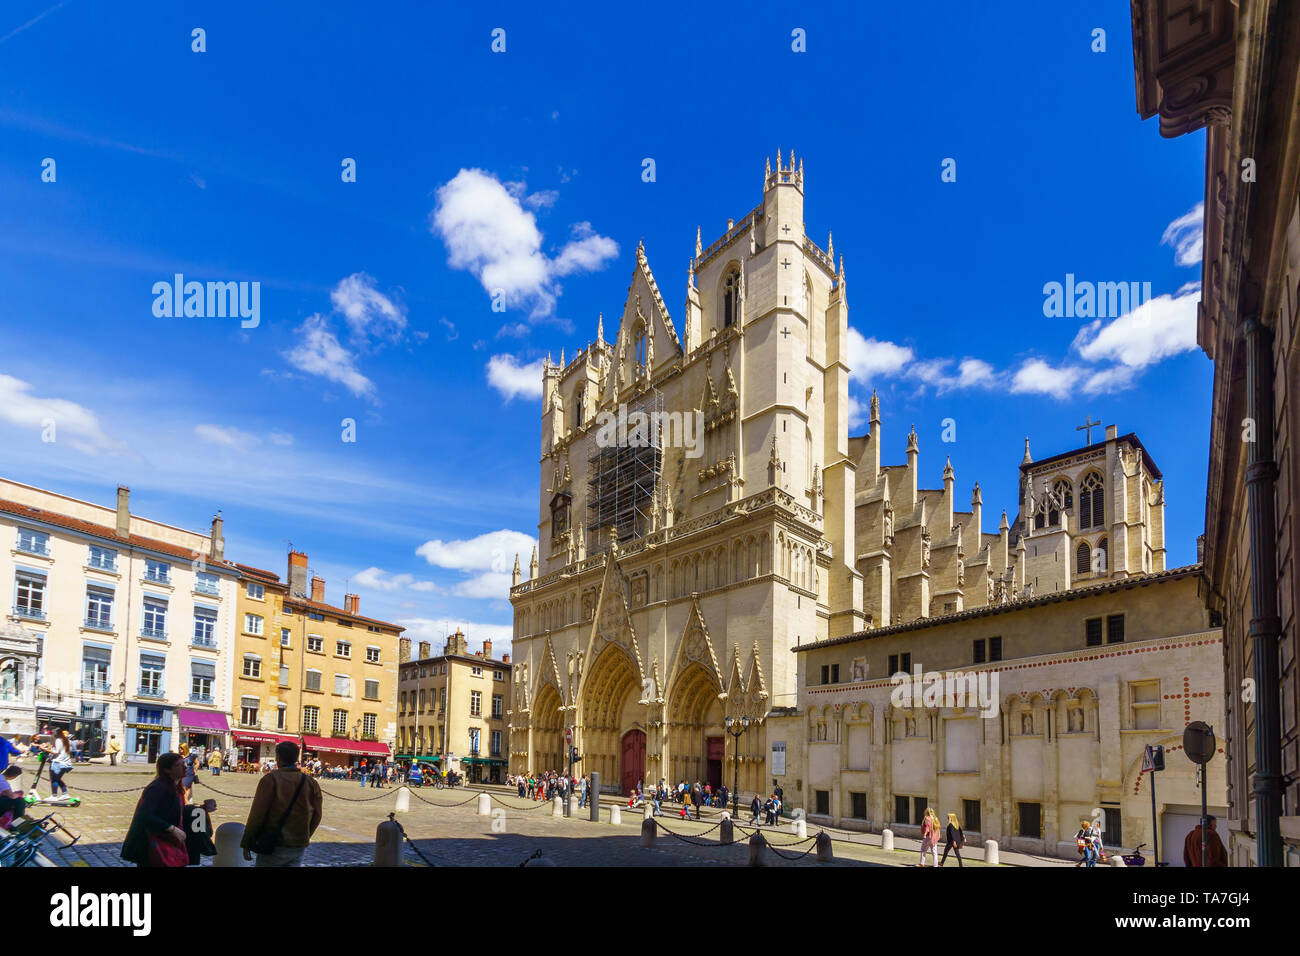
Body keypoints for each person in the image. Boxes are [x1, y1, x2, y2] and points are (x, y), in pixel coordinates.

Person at [241, 740, 322, 867]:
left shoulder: (271, 780)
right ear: (296, 758)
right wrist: (305, 835)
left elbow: (257, 815)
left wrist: (247, 843)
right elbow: (317, 815)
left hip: (274, 843)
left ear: (278, 757)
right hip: (298, 844)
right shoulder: (311, 782)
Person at [120, 753, 188, 867]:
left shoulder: (176, 787)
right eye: (179, 765)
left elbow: (174, 811)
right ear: (167, 770)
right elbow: (144, 815)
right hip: (151, 845)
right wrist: (172, 829)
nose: (185, 767)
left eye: (184, 764)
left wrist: (202, 808)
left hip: (167, 842)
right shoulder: (157, 788)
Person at [47, 730, 74, 797]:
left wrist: (44, 749)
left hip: (59, 762)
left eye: (52, 734)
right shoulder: (65, 740)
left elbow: (56, 752)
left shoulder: (58, 740)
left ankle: (54, 795)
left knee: (54, 780)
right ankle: (65, 793)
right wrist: (49, 747)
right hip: (65, 763)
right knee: (58, 779)